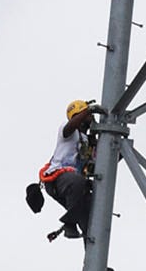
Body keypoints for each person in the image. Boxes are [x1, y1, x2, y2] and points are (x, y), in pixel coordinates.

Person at [26, 98, 100, 244]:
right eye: (88, 116)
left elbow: (102, 162)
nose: (92, 119)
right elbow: (71, 127)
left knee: (90, 218)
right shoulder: (68, 131)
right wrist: (89, 109)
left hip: (73, 185)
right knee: (78, 182)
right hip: (58, 179)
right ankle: (70, 223)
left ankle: (94, 262)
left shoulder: (88, 142)